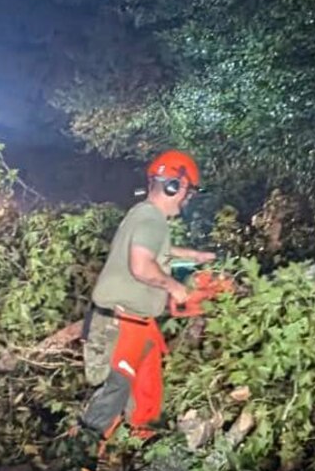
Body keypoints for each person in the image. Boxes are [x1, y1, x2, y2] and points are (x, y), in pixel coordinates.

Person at [80, 150, 215, 443]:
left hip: (138, 324)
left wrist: (194, 256)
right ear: (173, 187)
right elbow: (141, 265)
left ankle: (139, 447)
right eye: (187, 191)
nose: (187, 198)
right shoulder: (152, 219)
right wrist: (173, 286)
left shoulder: (143, 214)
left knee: (147, 392)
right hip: (121, 324)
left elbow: (154, 249)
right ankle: (81, 461)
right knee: (112, 396)